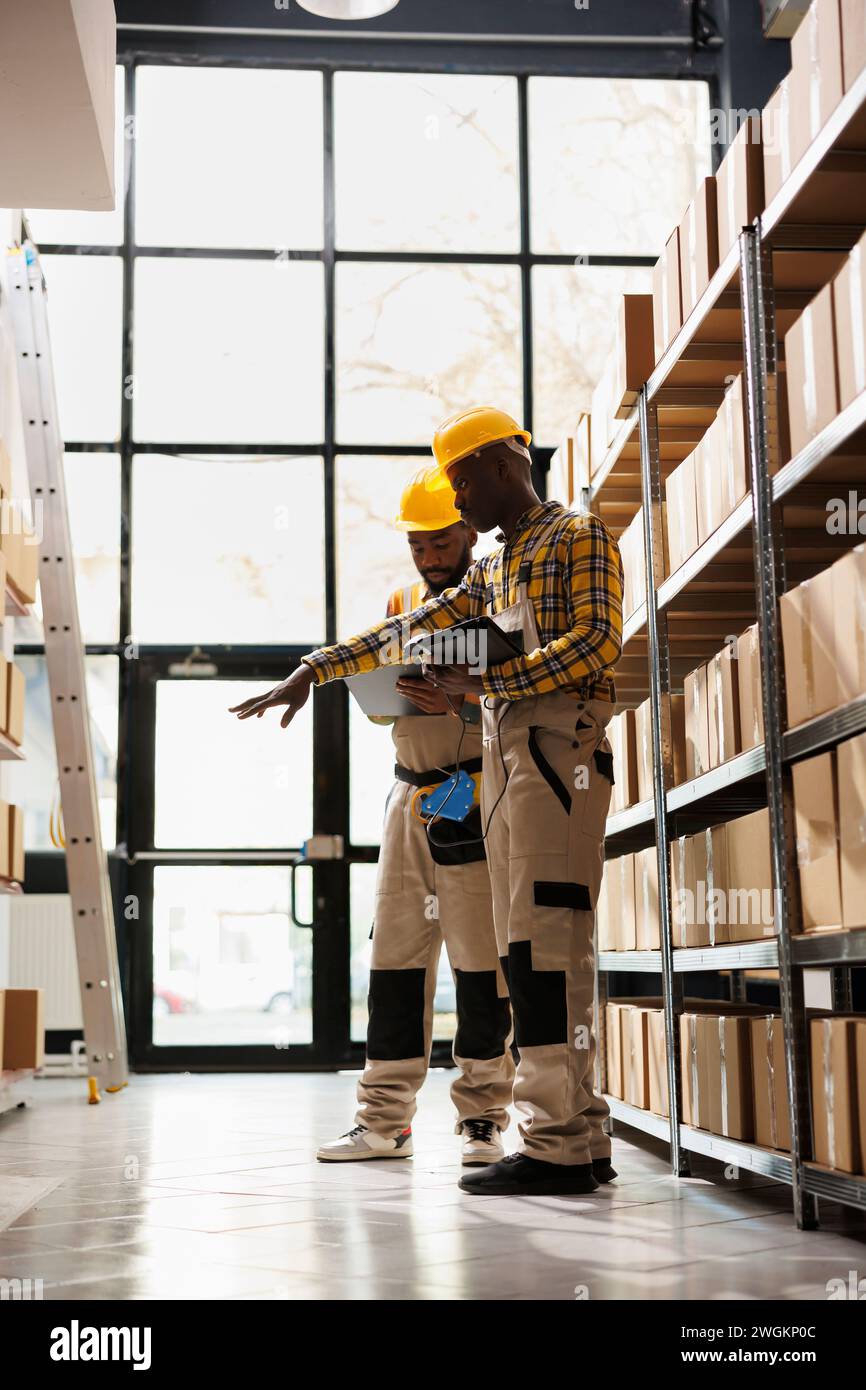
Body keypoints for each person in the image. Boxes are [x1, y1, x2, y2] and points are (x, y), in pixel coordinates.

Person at [231, 406, 623, 1196]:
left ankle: (555, 1143)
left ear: (501, 468)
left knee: (544, 953)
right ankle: (576, 1135)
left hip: (554, 753)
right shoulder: (495, 569)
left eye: (463, 487)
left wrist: (486, 686)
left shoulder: (577, 538)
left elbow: (597, 641)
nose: (459, 509)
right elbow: (412, 627)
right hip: (512, 756)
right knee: (533, 951)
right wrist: (315, 667)